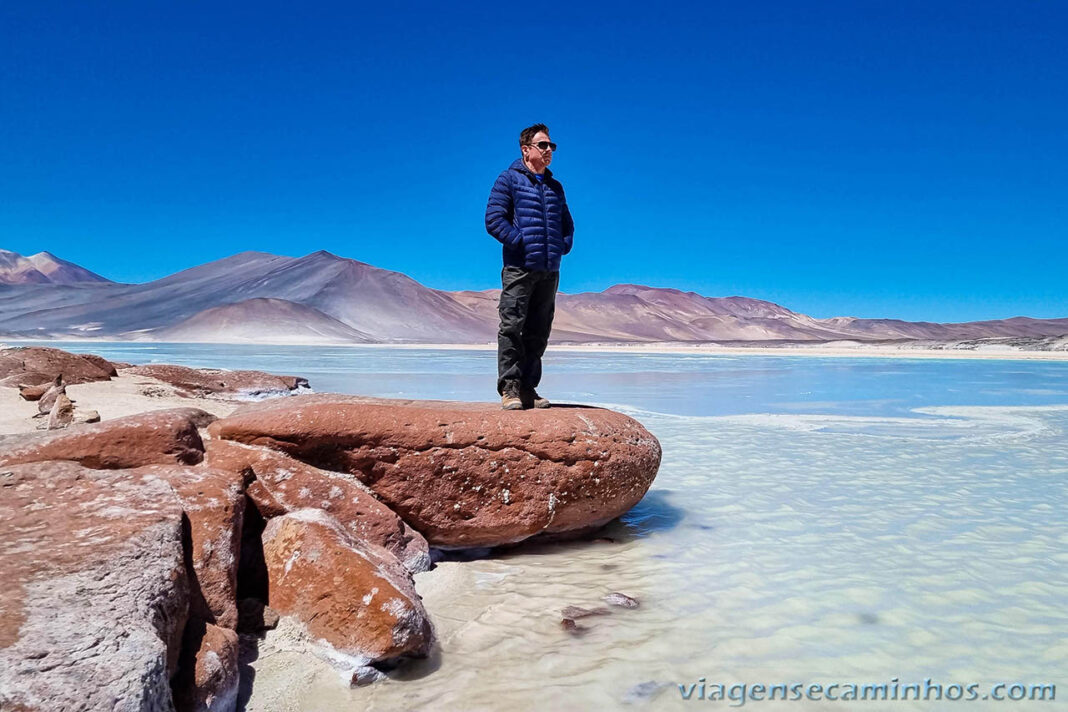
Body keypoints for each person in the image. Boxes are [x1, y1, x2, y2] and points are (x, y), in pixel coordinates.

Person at [485, 123, 574, 410]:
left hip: (549, 269)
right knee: (512, 325)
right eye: (543, 145)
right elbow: (493, 219)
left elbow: (567, 224)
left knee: (539, 331)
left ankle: (528, 388)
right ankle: (509, 389)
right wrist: (519, 242)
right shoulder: (508, 180)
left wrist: (562, 245)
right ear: (526, 149)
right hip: (520, 268)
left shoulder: (554, 187)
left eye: (552, 146)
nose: (549, 151)